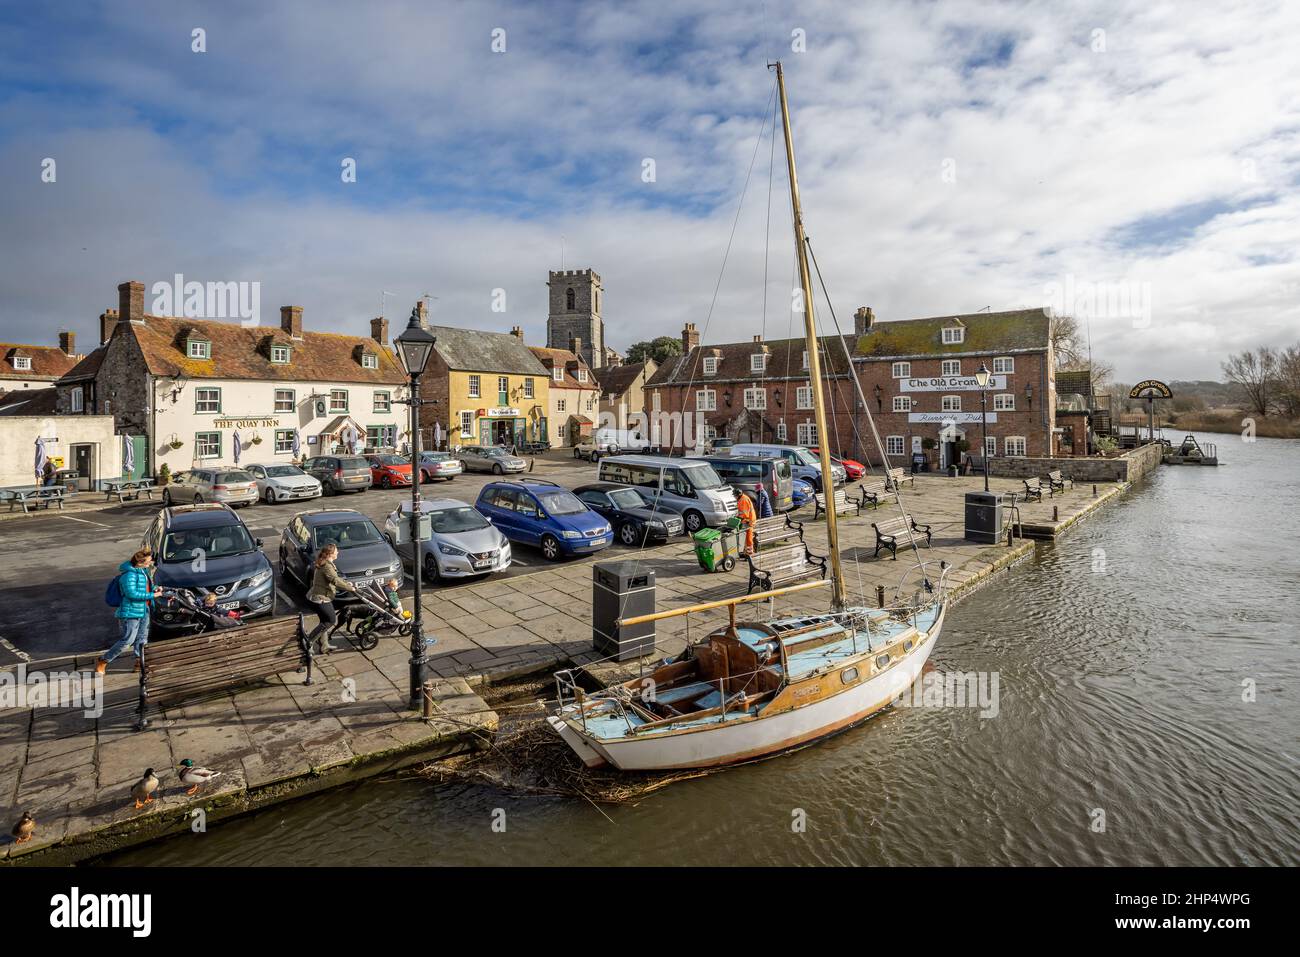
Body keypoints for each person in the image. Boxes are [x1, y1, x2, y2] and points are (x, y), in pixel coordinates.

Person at [96, 549, 162, 674]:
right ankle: (103, 660)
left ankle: (139, 662)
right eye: (149, 561)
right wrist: (153, 595)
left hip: (144, 609)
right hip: (131, 611)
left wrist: (155, 588)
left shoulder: (143, 570)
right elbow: (131, 594)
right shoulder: (128, 575)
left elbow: (147, 586)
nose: (151, 562)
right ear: (140, 562)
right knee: (128, 640)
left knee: (142, 638)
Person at [306, 543, 355, 654]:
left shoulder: (326, 564)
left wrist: (347, 583)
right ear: (330, 554)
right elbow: (335, 581)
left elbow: (335, 578)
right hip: (321, 598)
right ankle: (309, 642)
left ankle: (324, 645)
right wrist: (350, 588)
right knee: (331, 620)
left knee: (324, 621)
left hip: (318, 597)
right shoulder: (327, 566)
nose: (338, 552)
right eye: (336, 551)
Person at [736, 490, 757, 554]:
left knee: (748, 536)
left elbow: (744, 513)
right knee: (747, 535)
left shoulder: (743, 500)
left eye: (735, 495)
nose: (735, 497)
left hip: (748, 520)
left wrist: (739, 518)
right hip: (748, 519)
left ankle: (749, 551)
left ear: (738, 495)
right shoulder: (742, 498)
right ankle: (747, 550)